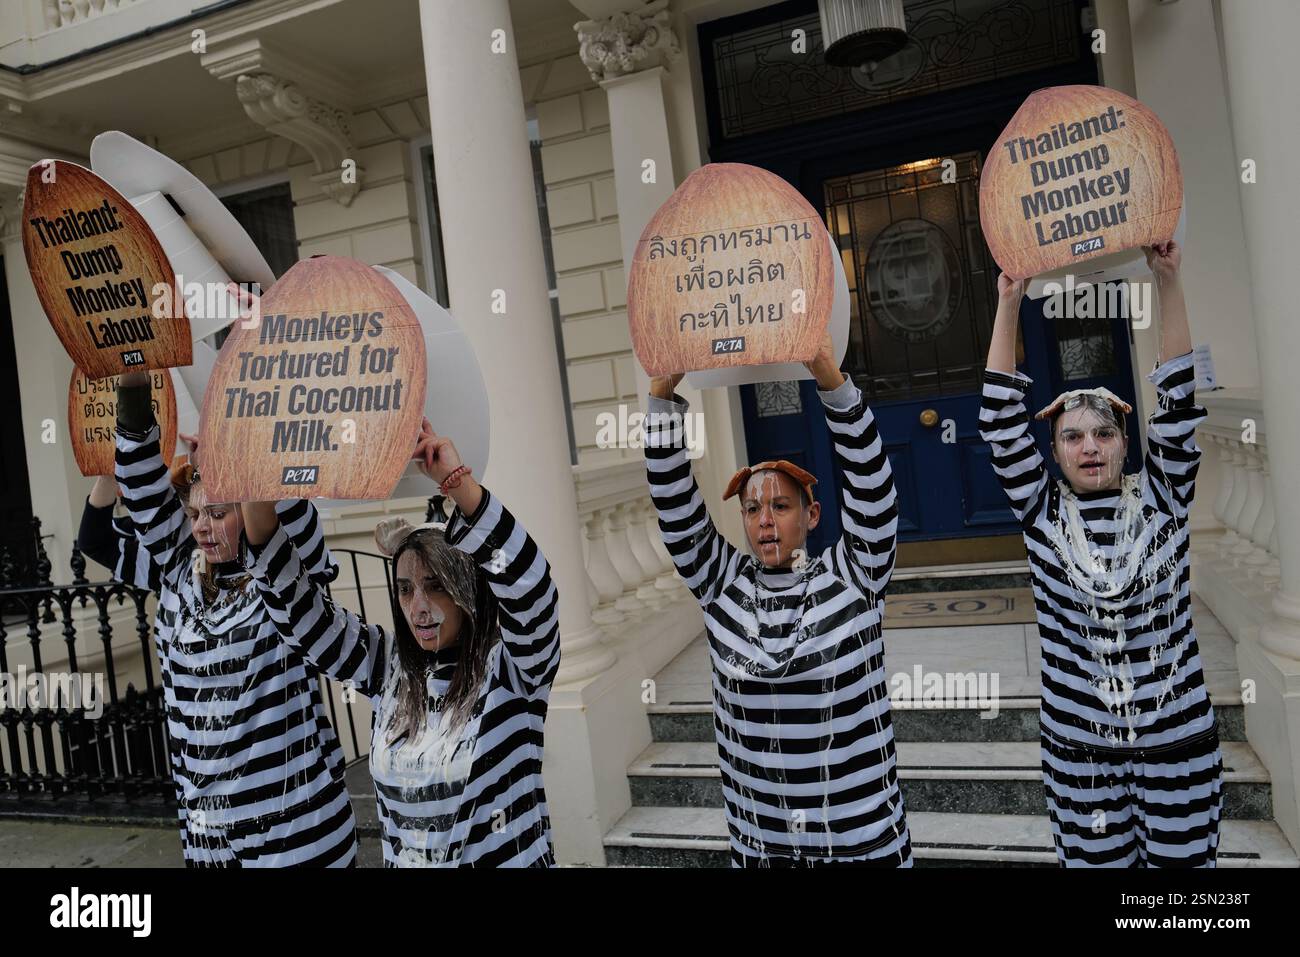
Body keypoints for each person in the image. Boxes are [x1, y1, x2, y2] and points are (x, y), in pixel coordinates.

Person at [979, 240, 1223, 866]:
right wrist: (1010, 303)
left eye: (1105, 433)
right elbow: (1001, 423)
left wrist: (1167, 279)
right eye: (1073, 437)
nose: (1090, 447)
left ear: (1125, 441)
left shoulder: (1164, 501)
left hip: (1178, 744)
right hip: (1081, 755)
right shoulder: (1042, 513)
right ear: (1056, 452)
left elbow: (1178, 405)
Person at [238, 421, 561, 867]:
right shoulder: (387, 666)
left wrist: (458, 485)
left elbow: (533, 589)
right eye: (406, 589)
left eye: (436, 586)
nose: (419, 608)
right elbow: (300, 613)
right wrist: (256, 481)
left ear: (467, 588)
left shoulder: (512, 669)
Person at [644, 333, 910, 867]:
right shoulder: (722, 585)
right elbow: (674, 503)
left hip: (862, 845)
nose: (764, 519)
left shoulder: (853, 575)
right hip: (765, 848)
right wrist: (660, 395)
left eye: (781, 506)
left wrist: (830, 381)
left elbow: (872, 489)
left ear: (812, 516)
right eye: (751, 509)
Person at [79, 371, 358, 866]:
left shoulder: (284, 574)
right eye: (195, 513)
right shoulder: (178, 572)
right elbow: (139, 494)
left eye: (221, 512)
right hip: (212, 843)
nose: (204, 527)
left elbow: (290, 509)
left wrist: (247, 439)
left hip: (298, 839)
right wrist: (135, 383)